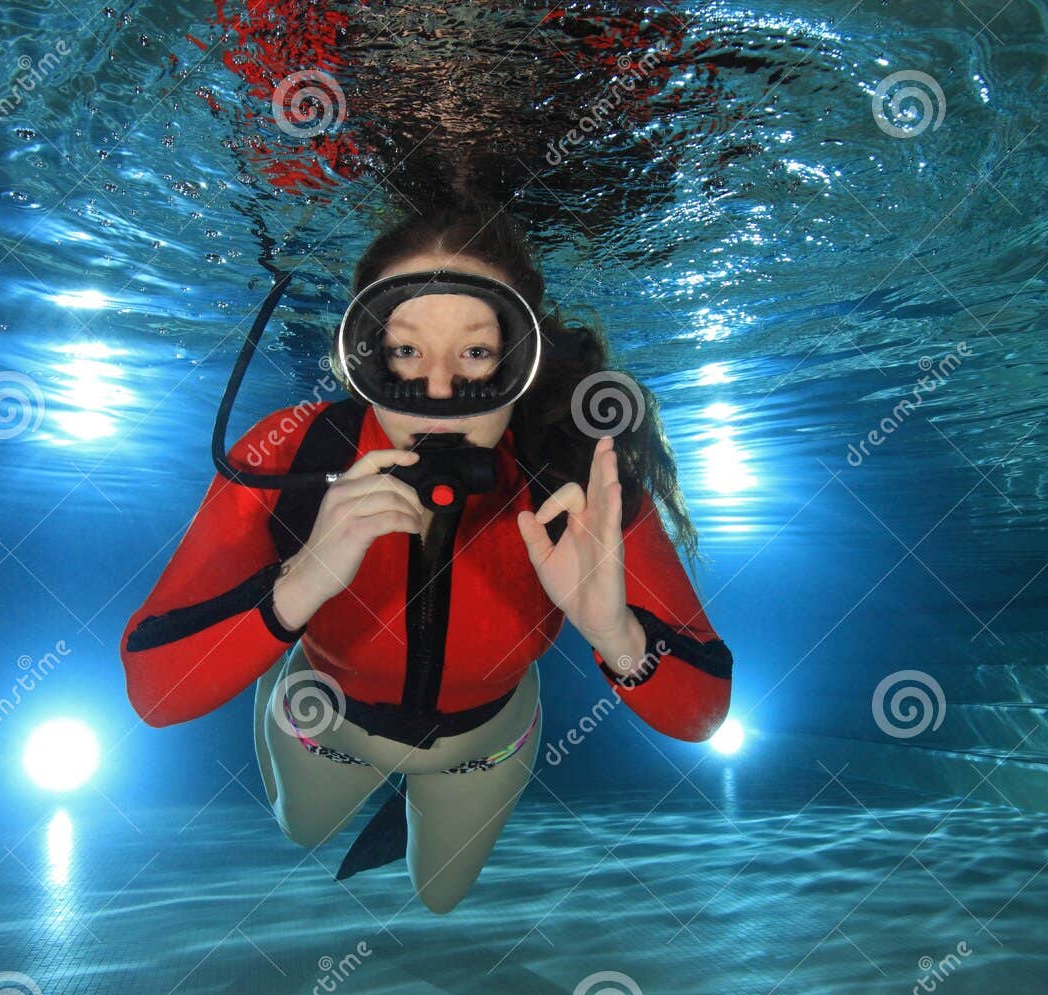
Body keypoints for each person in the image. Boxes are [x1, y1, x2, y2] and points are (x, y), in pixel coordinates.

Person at [121, 202, 733, 913]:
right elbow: (154, 691)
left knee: (441, 895)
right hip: (325, 723)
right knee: (302, 827)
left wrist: (619, 638)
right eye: (405, 352)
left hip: (484, 746)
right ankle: (277, 679)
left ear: (520, 361)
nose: (439, 395)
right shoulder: (295, 449)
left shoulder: (574, 475)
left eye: (476, 353)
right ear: (363, 359)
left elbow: (704, 714)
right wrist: (299, 584)